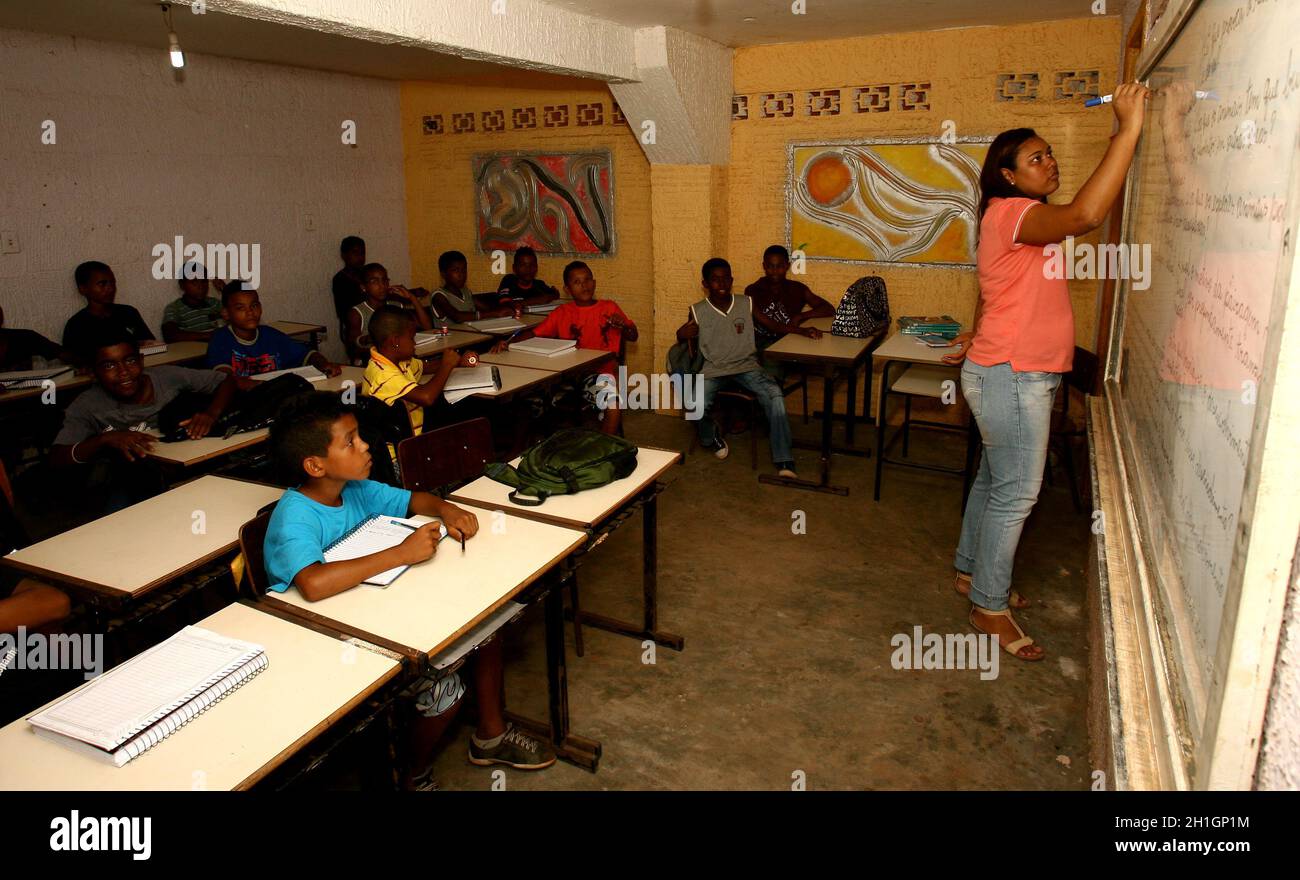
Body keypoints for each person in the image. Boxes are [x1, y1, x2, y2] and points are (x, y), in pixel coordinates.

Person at [943, 82, 1150, 661]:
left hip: (1006, 365)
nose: (1050, 162)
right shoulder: (1015, 213)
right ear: (1008, 175)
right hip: (1014, 373)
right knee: (1017, 492)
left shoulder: (1009, 216)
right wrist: (1130, 129)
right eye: (1036, 158)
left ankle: (969, 572)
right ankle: (988, 606)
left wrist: (979, 332)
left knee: (994, 481)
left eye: (1050, 153)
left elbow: (997, 290)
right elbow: (1086, 214)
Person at [263, 391, 557, 786]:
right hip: (326, 641)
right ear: (316, 465)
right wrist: (402, 553)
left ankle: (491, 735)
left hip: (378, 611)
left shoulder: (355, 487)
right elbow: (314, 585)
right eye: (350, 441)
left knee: (487, 624)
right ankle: (410, 774)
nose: (366, 445)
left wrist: (447, 509)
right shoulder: (295, 516)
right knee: (444, 689)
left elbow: (412, 500)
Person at [50, 331, 240, 510]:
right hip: (131, 481)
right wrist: (104, 440)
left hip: (188, 468)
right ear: (93, 372)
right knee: (121, 515)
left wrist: (211, 414)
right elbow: (58, 457)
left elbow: (226, 381)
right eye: (109, 365)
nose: (123, 371)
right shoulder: (87, 404)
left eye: (130, 360)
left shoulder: (167, 377)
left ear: (141, 361)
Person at [676, 257, 798, 477]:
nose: (721, 284)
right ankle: (710, 437)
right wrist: (681, 334)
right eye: (715, 280)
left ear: (732, 280)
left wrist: (801, 331)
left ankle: (784, 459)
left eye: (725, 279)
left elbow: (773, 325)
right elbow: (683, 333)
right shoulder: (698, 310)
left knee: (775, 394)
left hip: (747, 366)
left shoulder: (746, 302)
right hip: (713, 368)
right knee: (694, 404)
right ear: (705, 283)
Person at [493, 261, 635, 434]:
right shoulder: (562, 312)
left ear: (594, 282)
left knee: (613, 406)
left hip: (600, 373)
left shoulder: (608, 307)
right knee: (527, 399)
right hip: (567, 376)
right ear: (567, 289)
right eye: (577, 282)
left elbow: (633, 336)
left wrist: (624, 326)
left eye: (588, 280)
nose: (584, 285)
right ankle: (524, 449)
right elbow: (534, 333)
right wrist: (509, 343)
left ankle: (605, 449)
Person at [363, 305, 475, 440]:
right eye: (411, 338)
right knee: (466, 419)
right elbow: (427, 397)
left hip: (416, 430)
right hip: (404, 446)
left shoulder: (395, 360)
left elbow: (425, 367)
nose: (415, 343)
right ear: (395, 341)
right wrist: (446, 366)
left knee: (464, 411)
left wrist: (458, 361)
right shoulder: (383, 375)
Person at [206, 281, 341, 379]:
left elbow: (308, 354)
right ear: (225, 313)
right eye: (241, 308)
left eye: (254, 305)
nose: (250, 312)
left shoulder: (270, 335)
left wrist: (323, 364)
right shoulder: (221, 339)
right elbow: (225, 380)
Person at [62, 261, 156, 365]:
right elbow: (75, 362)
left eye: (112, 283)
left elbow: (151, 345)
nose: (110, 289)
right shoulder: (77, 325)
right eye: (102, 284)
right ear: (83, 289)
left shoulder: (128, 313)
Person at [744, 245, 835, 351]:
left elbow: (829, 309)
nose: (775, 271)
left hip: (791, 340)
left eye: (780, 266)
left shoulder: (797, 288)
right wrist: (802, 331)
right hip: (762, 345)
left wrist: (800, 316)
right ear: (764, 266)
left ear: (787, 266)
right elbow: (772, 326)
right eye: (770, 266)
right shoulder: (753, 290)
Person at [345, 263, 433, 364]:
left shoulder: (395, 306)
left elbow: (427, 327)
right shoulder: (357, 313)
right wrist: (372, 340)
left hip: (398, 360)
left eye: (384, 280)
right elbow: (352, 348)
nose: (382, 286)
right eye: (375, 281)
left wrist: (412, 298)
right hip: (370, 363)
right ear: (363, 287)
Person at [161, 261, 224, 342]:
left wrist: (226, 290)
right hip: (195, 353)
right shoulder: (175, 308)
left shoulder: (214, 304)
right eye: (194, 282)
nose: (201, 286)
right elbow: (170, 335)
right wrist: (209, 335)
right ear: (182, 285)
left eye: (204, 281)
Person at [488, 247, 560, 312]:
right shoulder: (509, 280)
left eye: (532, 265)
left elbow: (555, 294)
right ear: (514, 268)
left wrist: (548, 297)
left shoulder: (539, 284)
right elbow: (506, 304)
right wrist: (540, 299)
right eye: (523, 265)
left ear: (536, 267)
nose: (528, 269)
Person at [0, 304, 69, 371]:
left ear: (1, 318)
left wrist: (78, 366)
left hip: (26, 383)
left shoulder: (24, 338)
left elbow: (59, 352)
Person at [331, 236, 367, 334]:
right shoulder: (340, 279)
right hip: (355, 328)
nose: (360, 257)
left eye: (362, 253)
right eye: (355, 253)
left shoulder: (368, 274)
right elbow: (343, 312)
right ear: (344, 255)